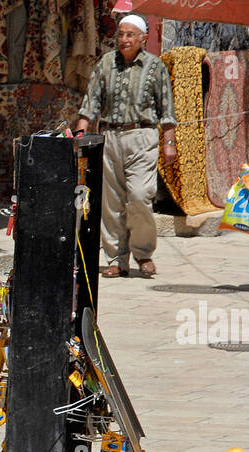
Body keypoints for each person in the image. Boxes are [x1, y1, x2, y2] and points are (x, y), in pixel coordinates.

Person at [72, 14, 176, 279]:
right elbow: (90, 103)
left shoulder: (155, 66)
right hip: (110, 139)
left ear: (143, 38)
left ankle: (142, 253)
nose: (124, 39)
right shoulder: (106, 63)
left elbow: (167, 110)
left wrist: (169, 144)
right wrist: (80, 137)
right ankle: (116, 259)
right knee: (112, 202)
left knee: (140, 195)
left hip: (142, 137)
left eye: (130, 35)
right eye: (121, 34)